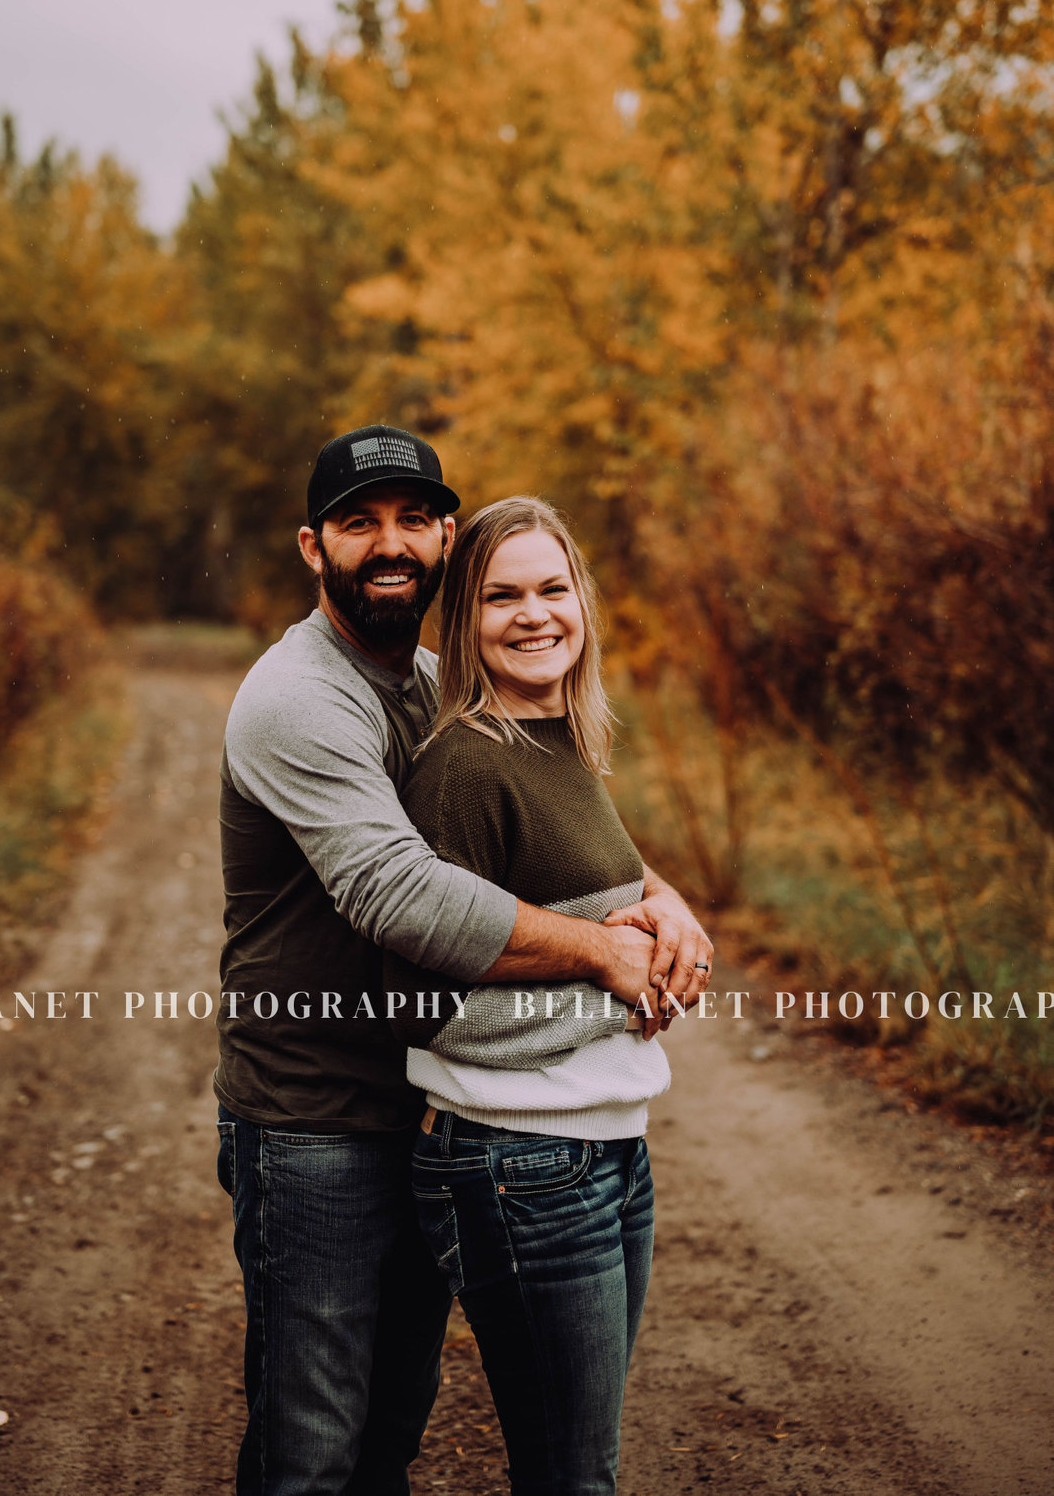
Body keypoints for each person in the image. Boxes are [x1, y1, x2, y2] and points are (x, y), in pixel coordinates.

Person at [215, 424, 713, 1496]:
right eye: (358, 523)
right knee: (312, 1441)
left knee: (388, 1427)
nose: (387, 543)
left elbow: (557, 832)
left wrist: (662, 902)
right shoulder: (299, 696)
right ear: (313, 546)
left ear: (445, 534)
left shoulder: (438, 679)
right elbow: (401, 892)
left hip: (426, 1103)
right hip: (312, 1113)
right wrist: (605, 955)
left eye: (410, 518)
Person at [387, 495, 680, 1495]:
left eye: (551, 588)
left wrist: (663, 918)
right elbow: (422, 997)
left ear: (581, 603)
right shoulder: (464, 766)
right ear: (461, 620)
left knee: (578, 1467)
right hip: (518, 1162)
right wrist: (612, 976)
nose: (532, 613)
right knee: (570, 1476)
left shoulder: (561, 736)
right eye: (499, 595)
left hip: (604, 1146)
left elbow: (609, 898)